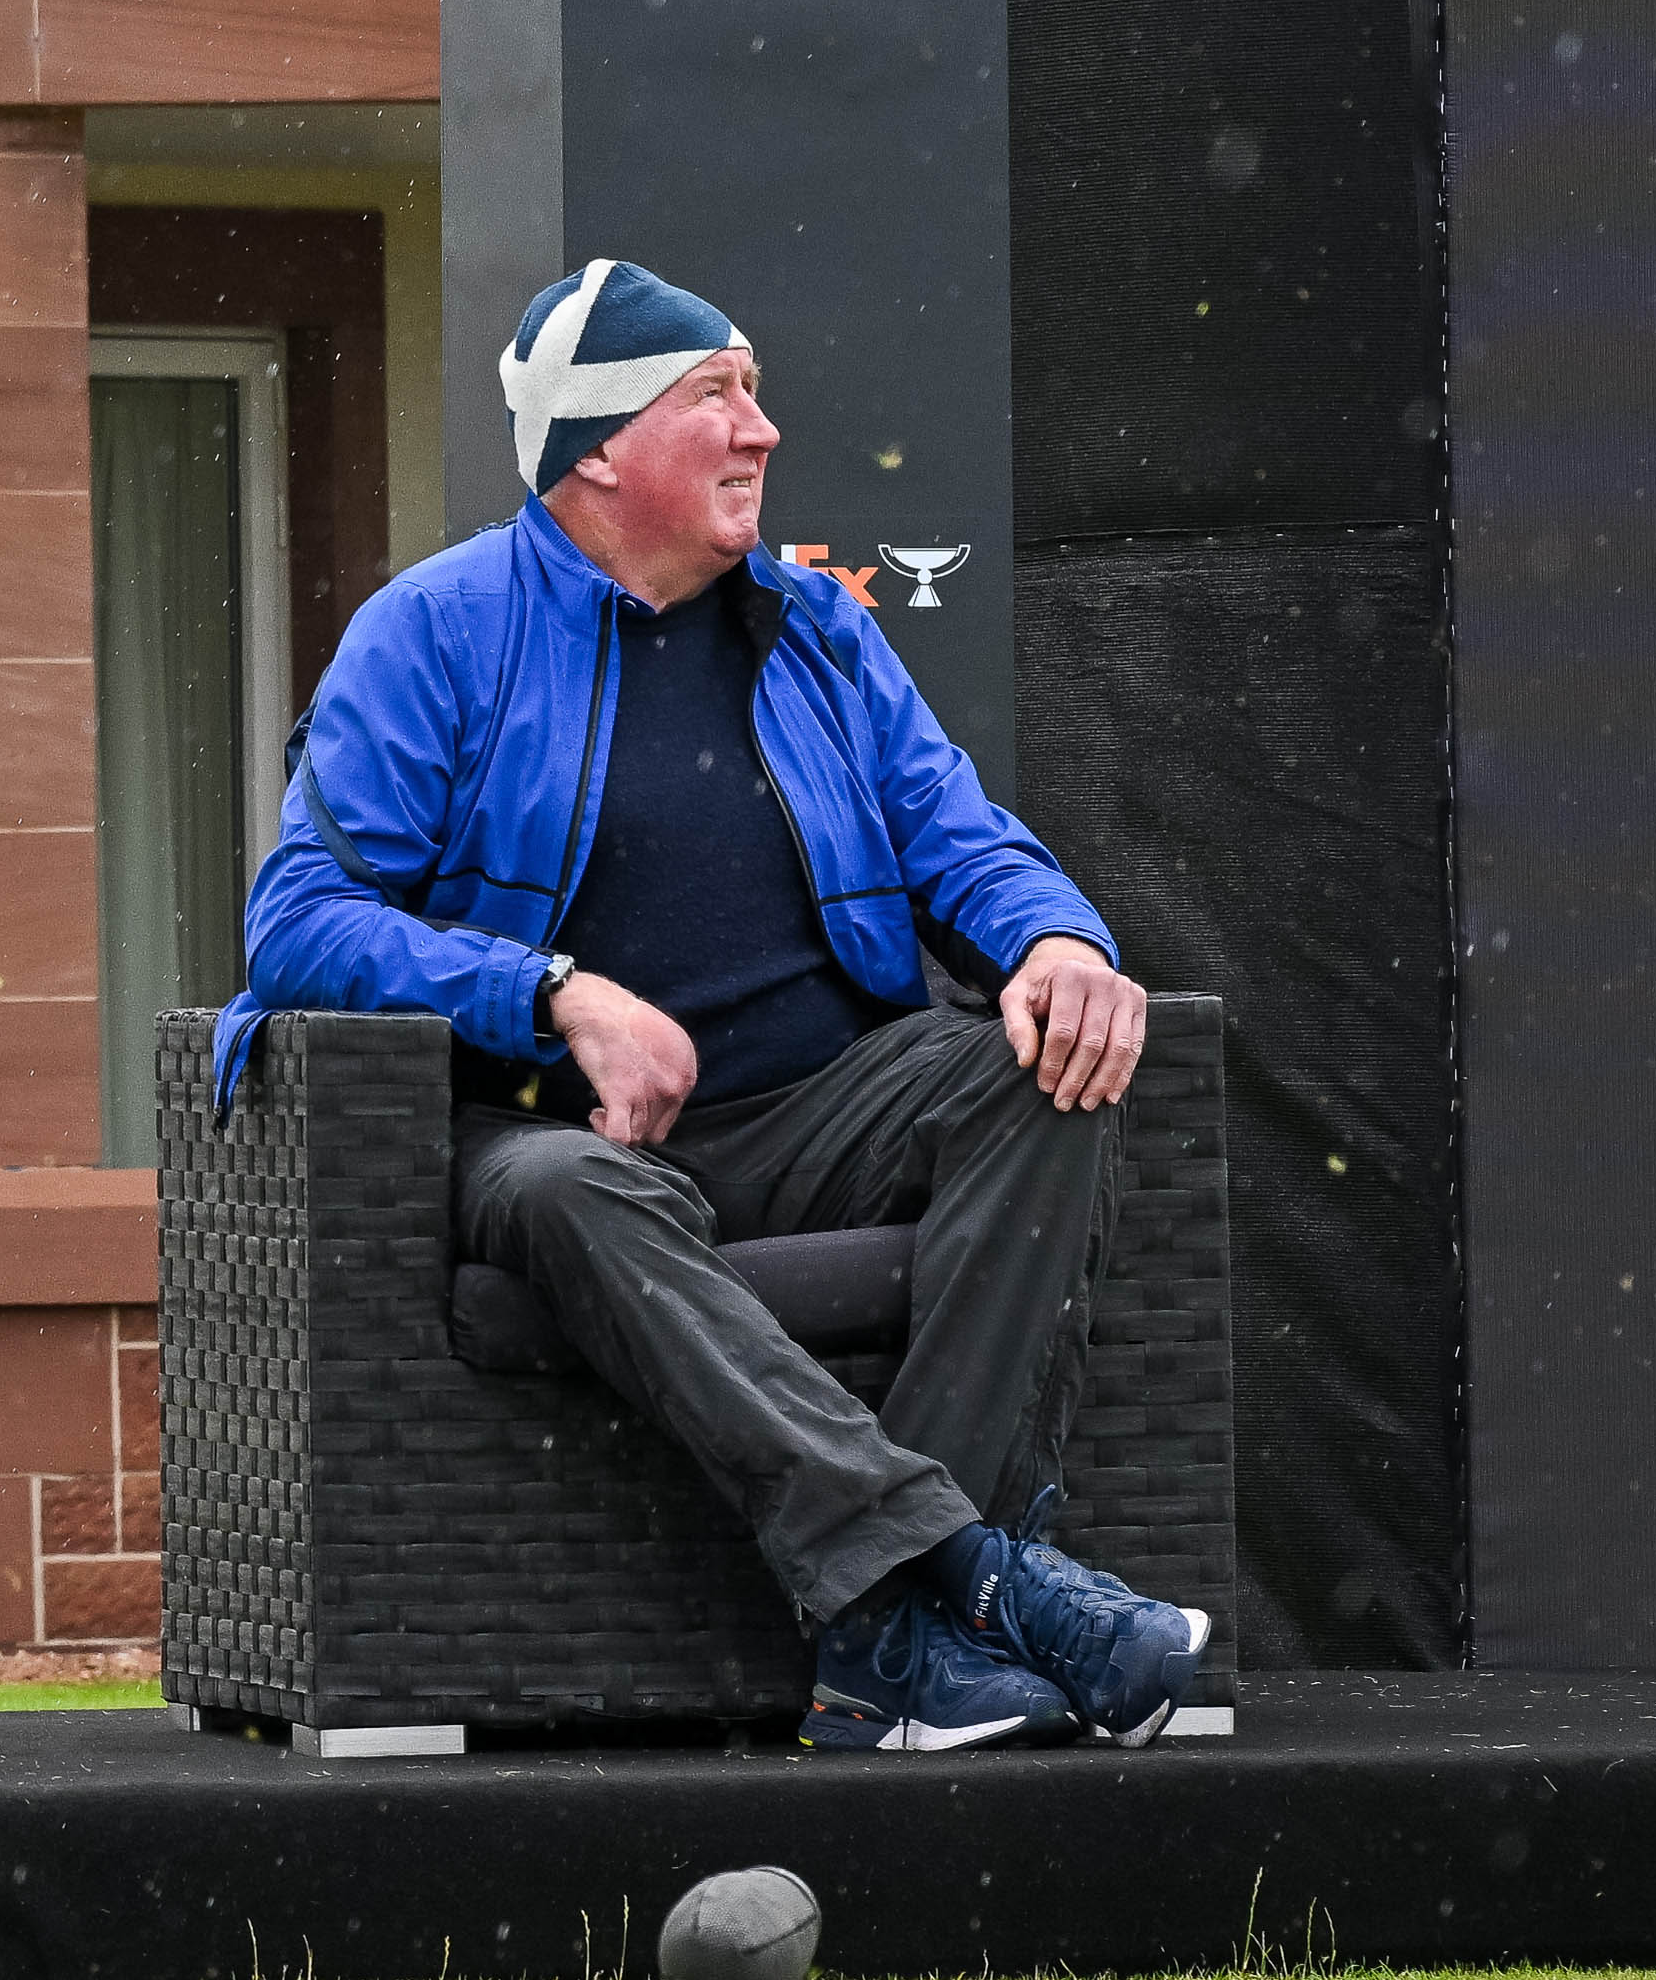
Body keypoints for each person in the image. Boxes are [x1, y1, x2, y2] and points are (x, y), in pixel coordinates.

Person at [227, 257, 1216, 1756]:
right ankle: (968, 1576)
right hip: (539, 1131)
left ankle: (892, 1640)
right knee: (576, 1191)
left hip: (809, 1113)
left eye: (754, 390)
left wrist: (1055, 940)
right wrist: (548, 993)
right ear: (600, 447)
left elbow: (959, 833)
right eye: (717, 394)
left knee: (1045, 1067)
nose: (761, 428)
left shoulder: (814, 627)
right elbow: (295, 922)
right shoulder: (433, 631)